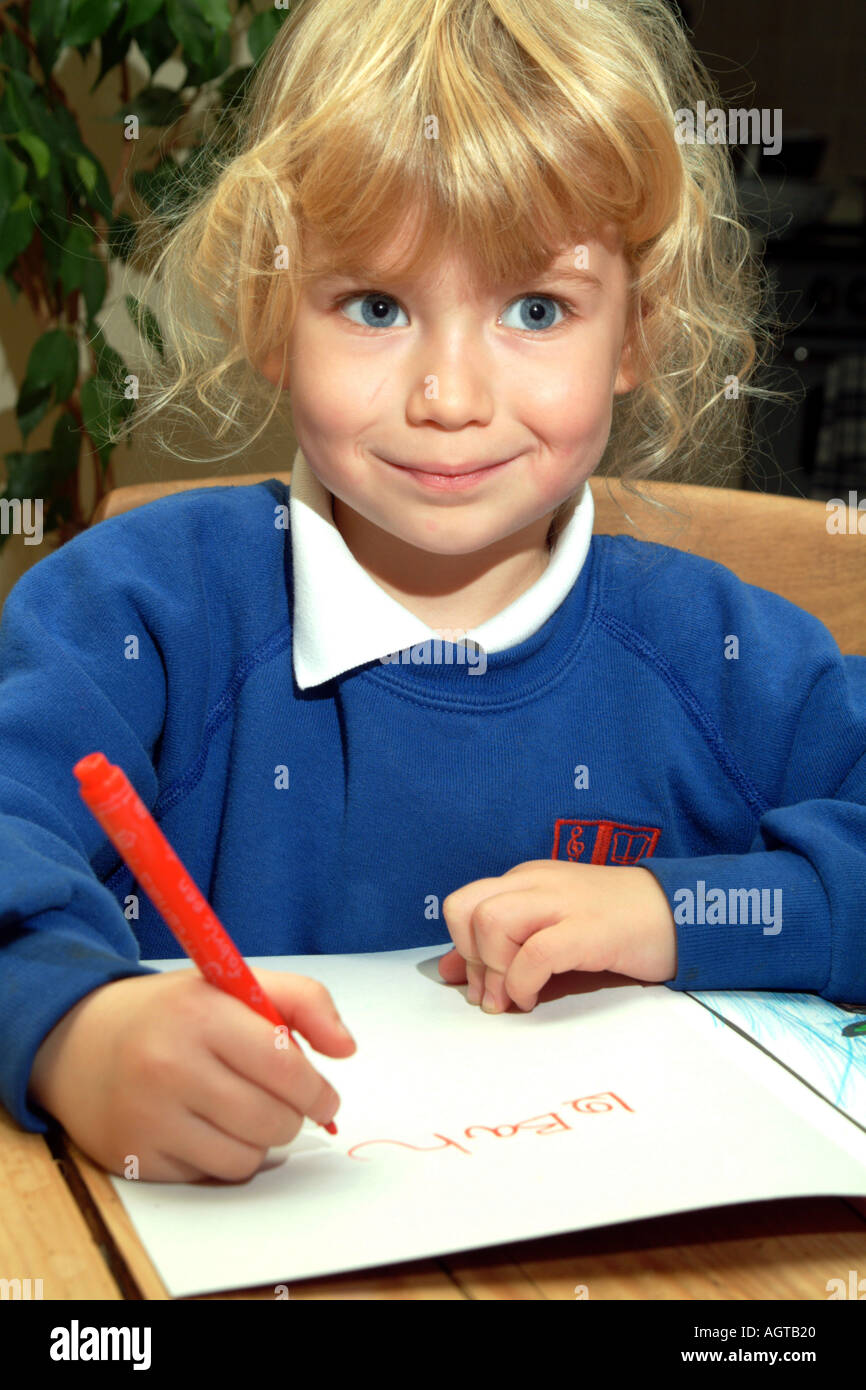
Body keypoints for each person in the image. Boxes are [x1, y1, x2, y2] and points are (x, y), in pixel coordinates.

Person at [2, 0, 864, 1183]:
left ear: (633, 335)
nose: (448, 394)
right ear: (272, 314)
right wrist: (70, 1030)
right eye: (374, 306)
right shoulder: (138, 614)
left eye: (534, 309)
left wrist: (685, 912)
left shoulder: (725, 657)